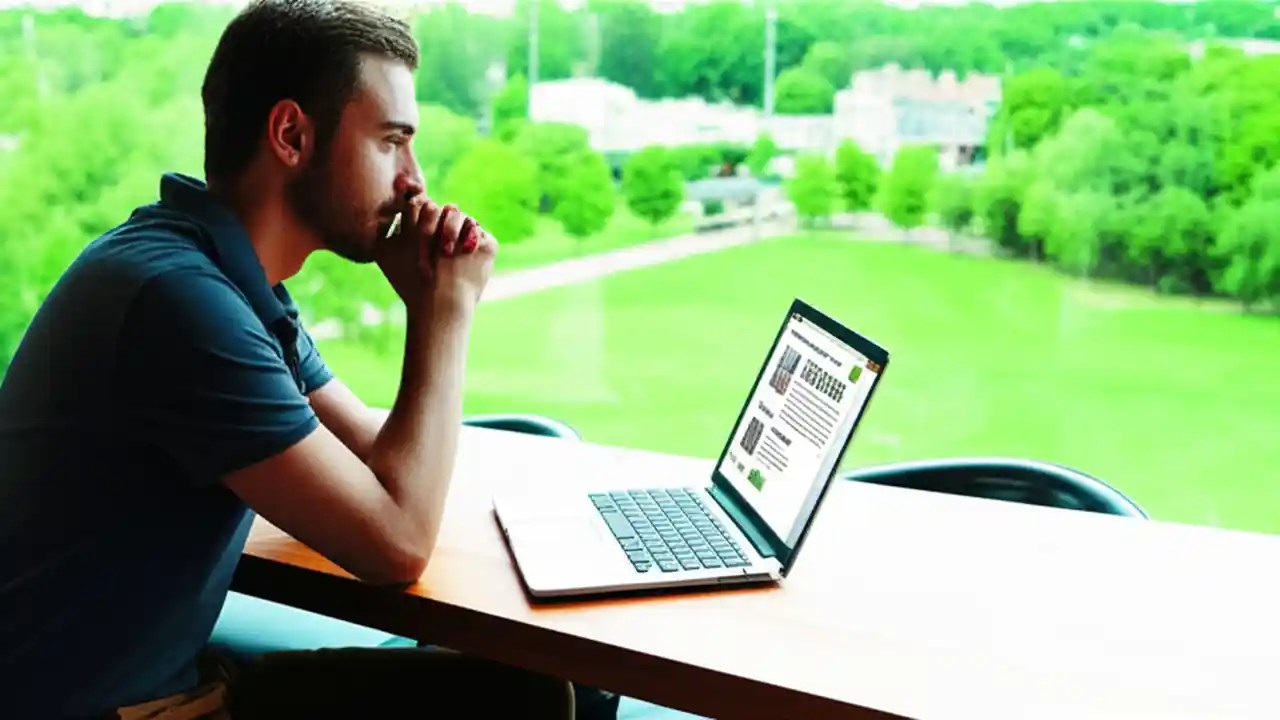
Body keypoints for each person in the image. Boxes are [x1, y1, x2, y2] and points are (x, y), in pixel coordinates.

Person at [0, 1, 611, 718]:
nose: (414, 179)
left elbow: (378, 459)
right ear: (291, 135)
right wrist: (443, 315)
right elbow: (395, 545)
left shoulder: (230, 280)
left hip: (163, 680)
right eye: (392, 141)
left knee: (541, 688)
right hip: (117, 710)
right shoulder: (180, 304)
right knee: (526, 705)